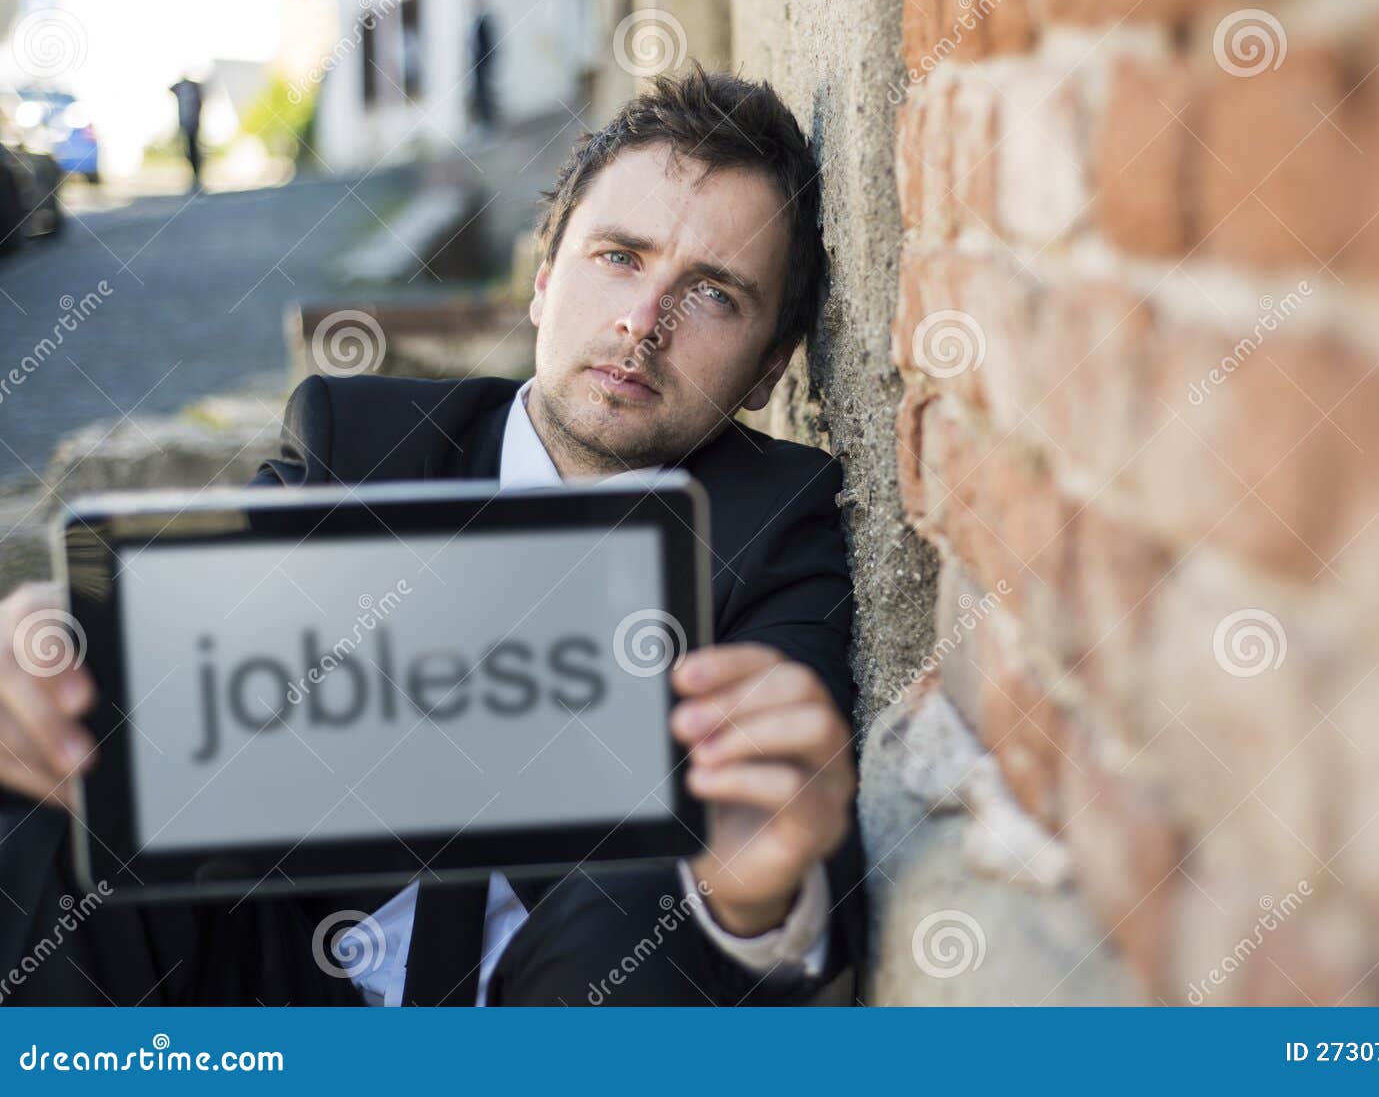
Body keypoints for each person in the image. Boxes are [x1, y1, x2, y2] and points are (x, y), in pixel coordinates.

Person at [0, 66, 864, 1006]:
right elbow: (177, 659)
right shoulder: (355, 442)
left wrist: (752, 893)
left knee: (654, 874)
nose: (640, 322)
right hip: (274, 990)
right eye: (619, 256)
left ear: (768, 371)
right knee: (41, 817)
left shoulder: (776, 524)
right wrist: (62, 663)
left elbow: (795, 809)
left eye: (713, 296)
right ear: (542, 279)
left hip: (555, 1011)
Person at [169, 75, 203, 192]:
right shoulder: (182, 90)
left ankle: (197, 177)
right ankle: (193, 176)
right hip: (184, 123)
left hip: (193, 123)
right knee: (187, 150)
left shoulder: (195, 90)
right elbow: (171, 88)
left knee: (194, 150)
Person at [469, 0, 496, 131]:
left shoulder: (484, 22)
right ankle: (482, 121)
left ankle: (488, 122)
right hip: (477, 65)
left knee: (485, 93)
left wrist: (487, 63)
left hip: (483, 64)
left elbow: (488, 45)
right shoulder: (475, 22)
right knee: (479, 93)